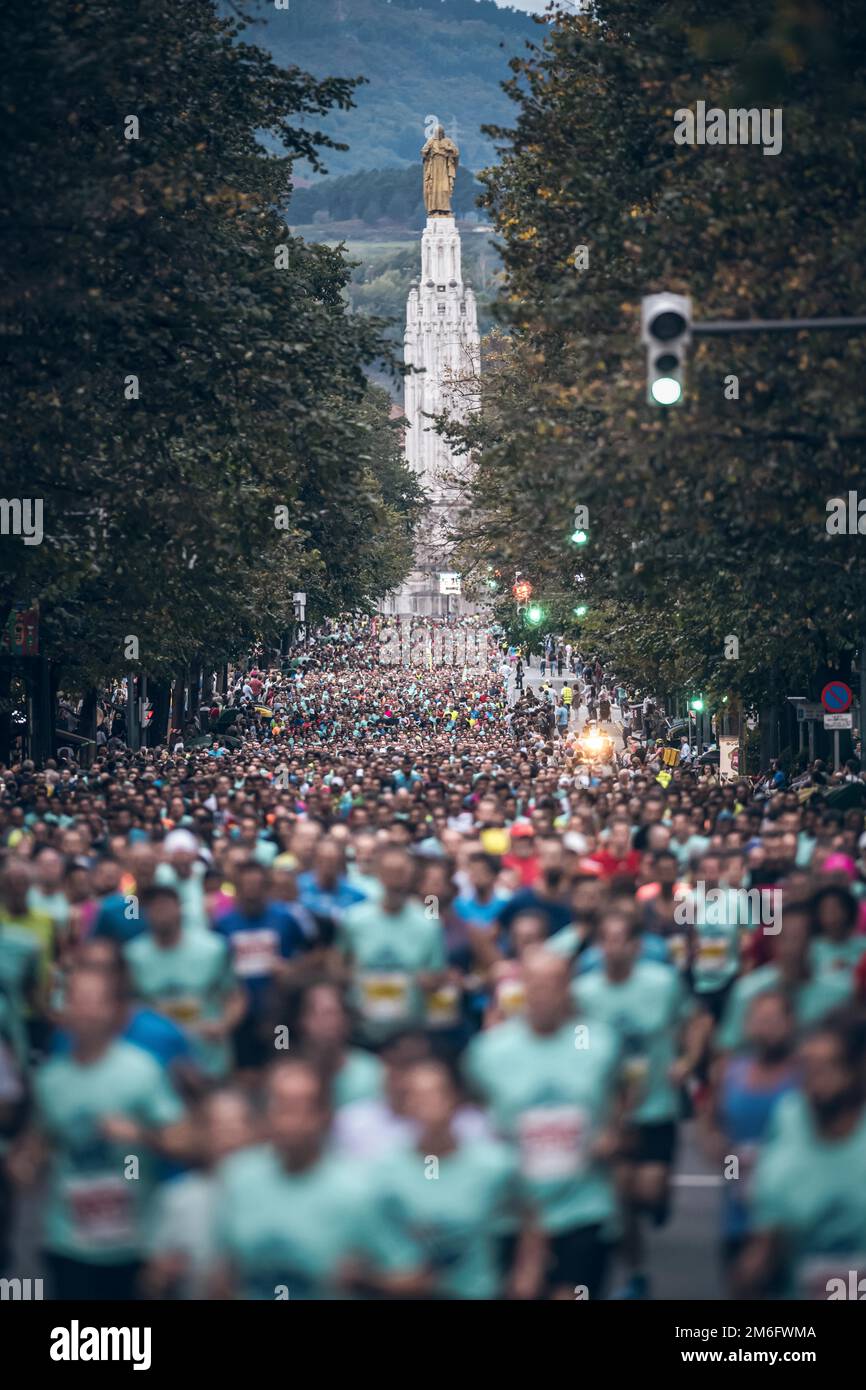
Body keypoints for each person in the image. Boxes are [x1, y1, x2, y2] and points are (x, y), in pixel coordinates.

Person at [8, 965, 188, 1300]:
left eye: (95, 1001)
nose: (86, 1010)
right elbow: (36, 1146)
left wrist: (140, 1135)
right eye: (77, 1000)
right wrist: (25, 1165)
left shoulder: (142, 1070)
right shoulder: (50, 1080)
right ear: (65, 1009)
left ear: (113, 1010)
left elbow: (185, 1142)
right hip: (68, 1241)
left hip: (133, 1242)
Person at [466, 950, 622, 1300]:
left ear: (569, 989)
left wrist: (612, 1136)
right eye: (534, 985)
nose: (543, 995)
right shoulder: (489, 1052)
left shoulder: (600, 1044)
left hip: (582, 1206)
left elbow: (620, 1106)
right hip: (512, 1212)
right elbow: (472, 1121)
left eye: (554, 985)